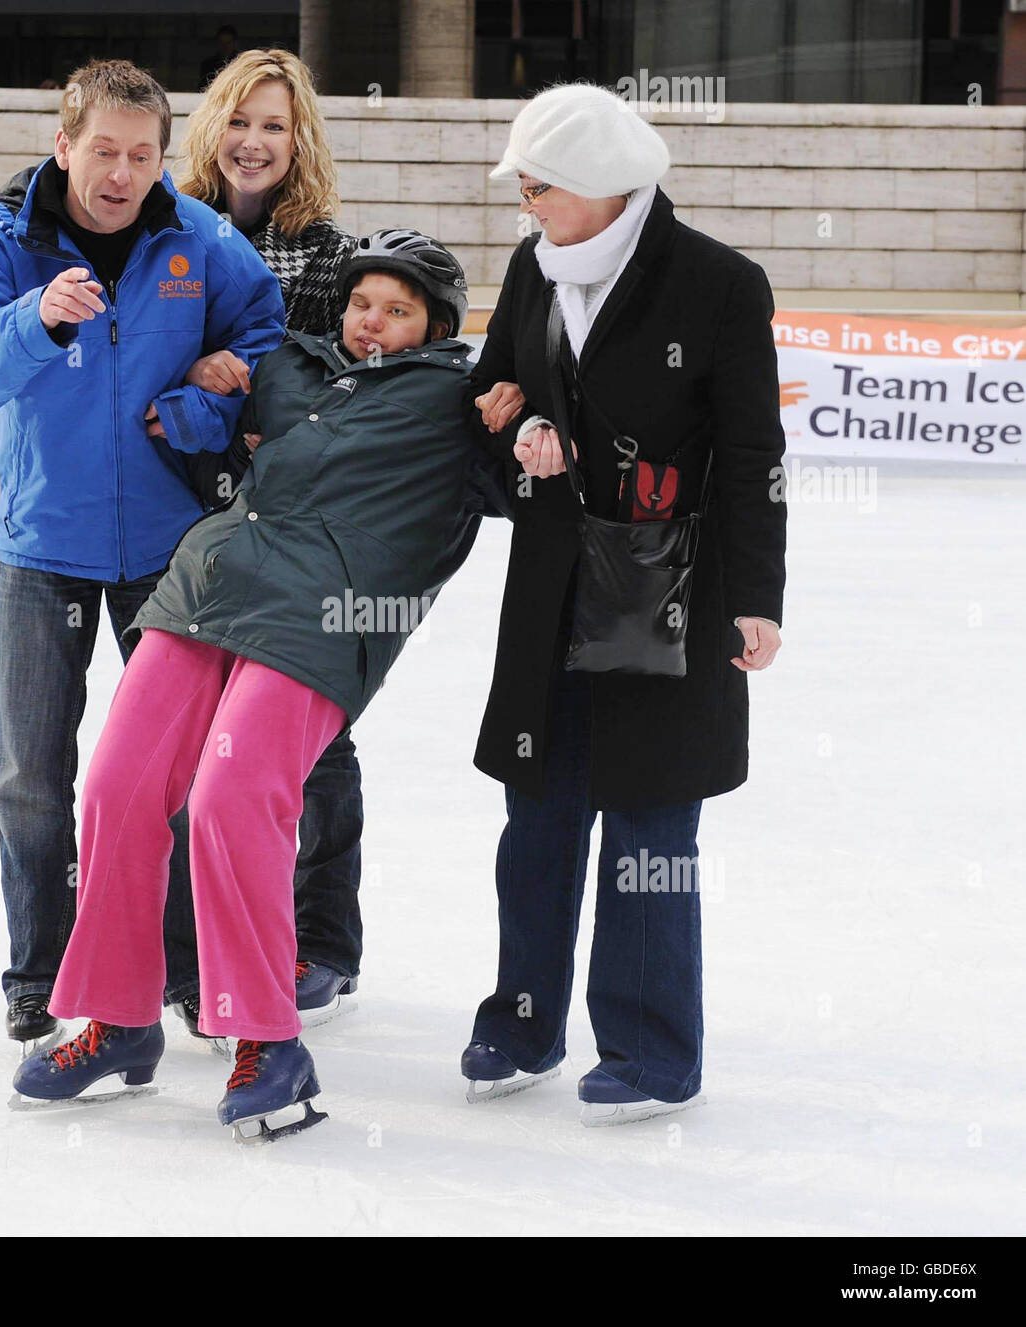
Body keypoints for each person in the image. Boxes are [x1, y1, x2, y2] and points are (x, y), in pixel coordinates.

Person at [12, 231, 497, 1141]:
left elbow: (526, 484)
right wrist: (208, 383)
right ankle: (119, 1020)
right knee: (119, 783)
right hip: (208, 584)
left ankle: (267, 1040)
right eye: (363, 304)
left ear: (436, 325)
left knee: (232, 800)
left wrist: (529, 418)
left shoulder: (456, 401)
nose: (373, 324)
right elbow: (196, 422)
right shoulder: (290, 367)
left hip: (322, 617)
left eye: (399, 311)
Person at [0, 60, 284, 1048]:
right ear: (63, 145)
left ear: (161, 158)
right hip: (44, 550)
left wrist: (217, 387)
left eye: (140, 154)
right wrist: (34, 319)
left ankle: (181, 968)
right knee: (32, 776)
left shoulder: (198, 237)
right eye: (103, 151)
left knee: (171, 773)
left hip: (170, 556)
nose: (120, 173)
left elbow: (264, 327)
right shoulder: (3, 239)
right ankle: (40, 972)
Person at [466, 83, 787, 1125]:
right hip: (555, 581)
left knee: (652, 822)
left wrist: (755, 599)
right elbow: (490, 397)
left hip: (673, 587)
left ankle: (651, 1051)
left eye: (541, 183)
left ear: (605, 187)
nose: (526, 201)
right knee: (538, 814)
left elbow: (751, 456)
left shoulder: (718, 285)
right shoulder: (529, 267)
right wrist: (515, 435)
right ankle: (520, 1021)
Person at [163, 48, 362, 1049]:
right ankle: (201, 945)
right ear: (212, 126)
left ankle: (322, 935)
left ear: (300, 140)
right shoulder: (172, 229)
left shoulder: (327, 251)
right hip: (186, 507)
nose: (254, 141)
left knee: (306, 732)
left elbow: (335, 377)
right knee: (200, 735)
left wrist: (248, 378)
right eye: (240, 120)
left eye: (276, 126)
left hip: (294, 514)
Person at [199, 25, 241, 91]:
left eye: (228, 43)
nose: (225, 46)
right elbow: (203, 88)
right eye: (222, 43)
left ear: (234, 43)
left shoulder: (242, 63)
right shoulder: (208, 65)